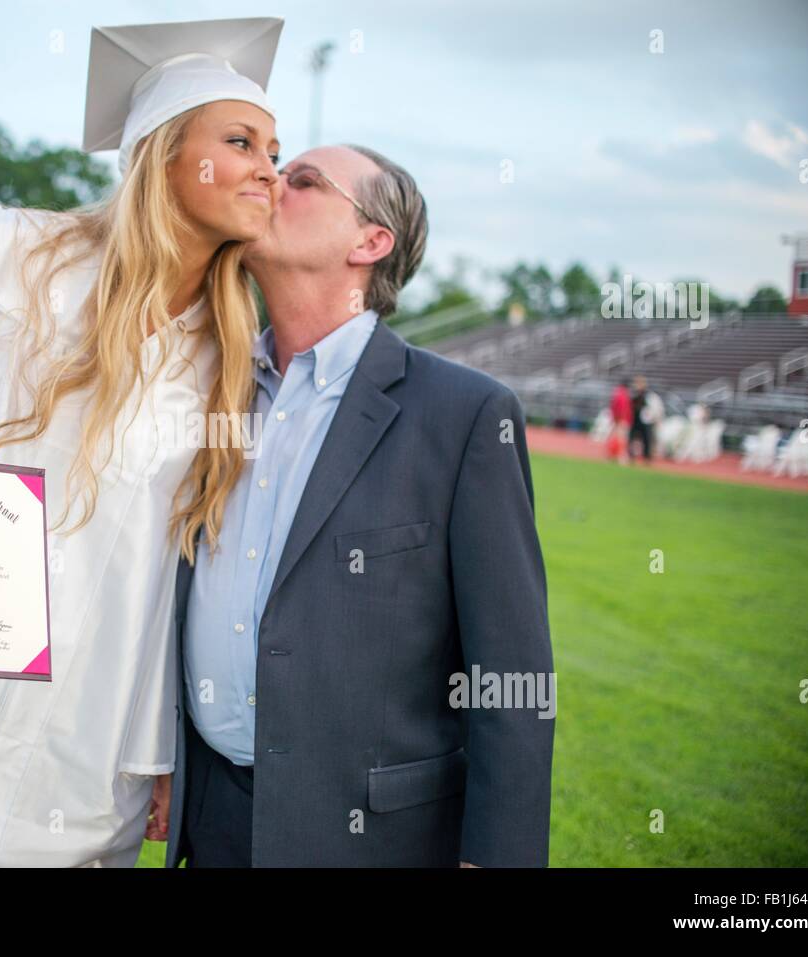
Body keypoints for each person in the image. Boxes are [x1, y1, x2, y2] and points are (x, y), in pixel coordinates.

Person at [0, 17, 285, 866]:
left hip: (88, 743)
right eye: (241, 142)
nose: (269, 168)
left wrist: (161, 751)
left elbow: (178, 580)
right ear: (164, 155)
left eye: (275, 148)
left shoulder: (228, 360)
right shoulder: (5, 254)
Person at [164, 143, 555, 867]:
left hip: (371, 838)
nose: (270, 183)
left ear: (372, 241)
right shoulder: (203, 384)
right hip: (210, 818)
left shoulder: (464, 413)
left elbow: (512, 669)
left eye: (302, 180)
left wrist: (496, 856)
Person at [629, 374, 658, 462]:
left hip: (646, 421)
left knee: (646, 439)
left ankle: (647, 456)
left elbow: (652, 409)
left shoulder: (649, 396)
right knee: (632, 438)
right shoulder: (634, 395)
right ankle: (631, 455)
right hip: (635, 420)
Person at [609, 377, 632, 463]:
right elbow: (622, 408)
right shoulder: (623, 394)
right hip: (621, 419)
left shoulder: (617, 392)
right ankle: (621, 457)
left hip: (617, 419)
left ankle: (612, 454)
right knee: (622, 439)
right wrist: (619, 419)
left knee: (614, 437)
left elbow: (614, 406)